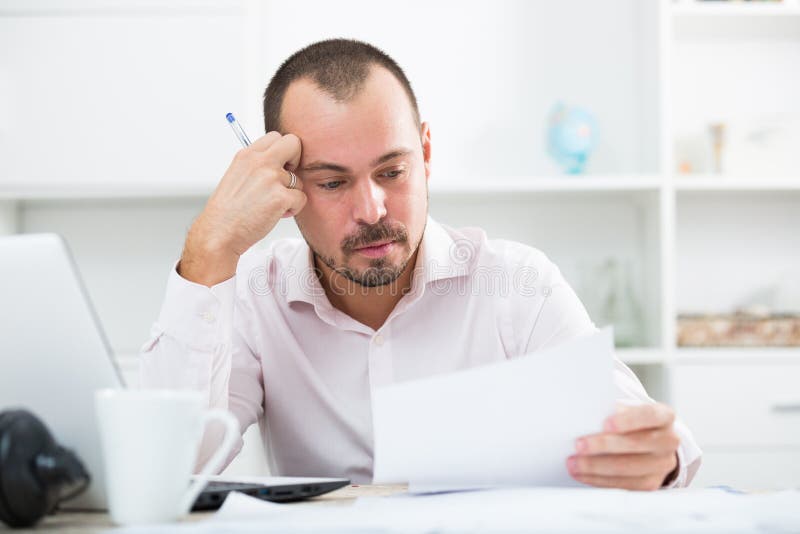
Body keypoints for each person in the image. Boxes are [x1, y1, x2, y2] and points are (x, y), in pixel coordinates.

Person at [140, 38, 701, 490]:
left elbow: (640, 430)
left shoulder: (517, 284)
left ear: (426, 153)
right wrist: (210, 248)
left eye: (392, 172)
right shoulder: (255, 296)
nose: (372, 210)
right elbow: (169, 468)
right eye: (332, 182)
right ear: (285, 184)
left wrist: (656, 458)